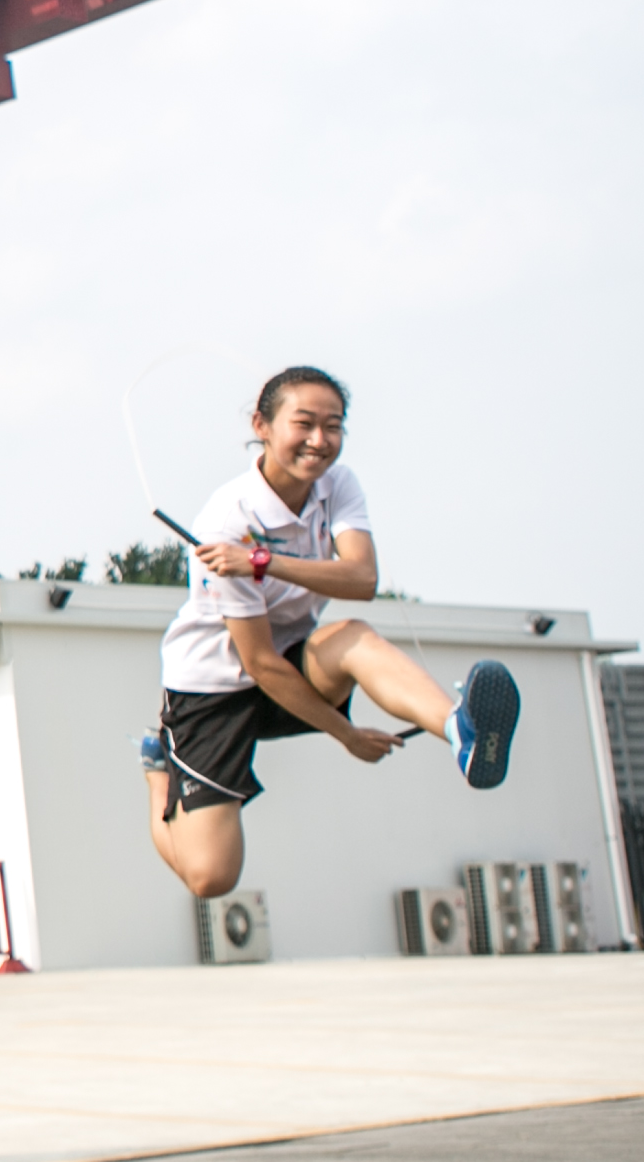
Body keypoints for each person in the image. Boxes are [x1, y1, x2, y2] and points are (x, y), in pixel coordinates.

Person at [141, 366, 519, 901]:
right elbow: (259, 664)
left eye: (334, 426)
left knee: (353, 636)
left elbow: (362, 579)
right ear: (262, 426)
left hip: (296, 658)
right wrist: (348, 735)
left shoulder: (337, 485)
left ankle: (462, 732)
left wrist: (262, 561)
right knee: (211, 879)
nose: (320, 441)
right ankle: (156, 768)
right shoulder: (226, 522)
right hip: (214, 691)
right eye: (304, 424)